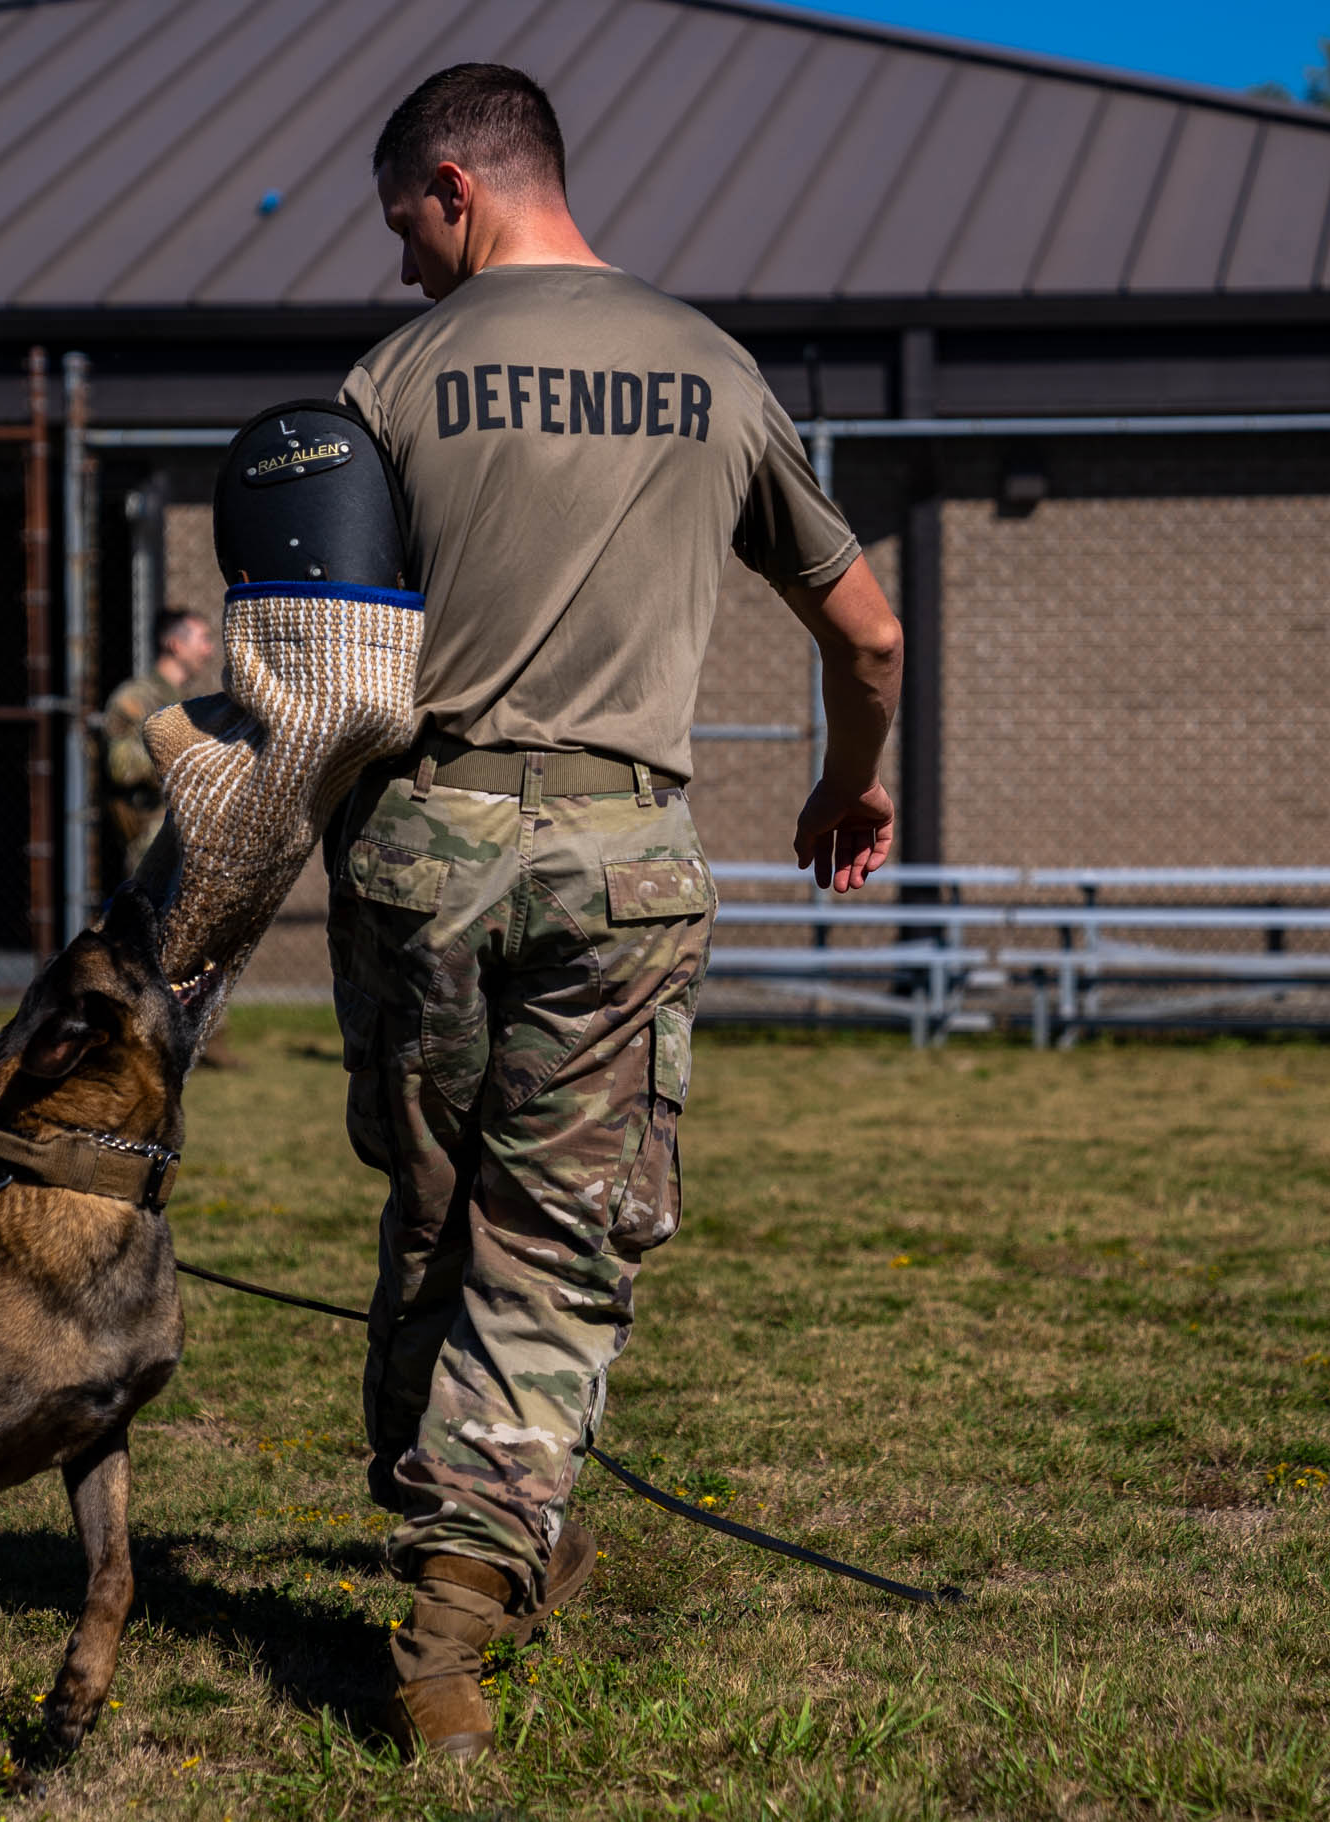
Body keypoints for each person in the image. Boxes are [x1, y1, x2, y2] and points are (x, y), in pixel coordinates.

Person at [326, 64, 904, 1760]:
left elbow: (324, 652)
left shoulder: (385, 380)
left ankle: (476, 1523)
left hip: (418, 843)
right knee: (557, 1238)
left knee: (434, 1208)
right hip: (616, 855)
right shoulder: (712, 370)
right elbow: (866, 637)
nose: (404, 269)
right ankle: (456, 1605)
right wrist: (850, 778)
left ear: (453, 187)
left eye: (404, 233)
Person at [101, 610, 218, 879]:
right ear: (175, 645)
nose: (209, 650)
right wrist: (183, 751)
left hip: (187, 837)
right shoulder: (135, 699)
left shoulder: (186, 703)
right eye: (203, 639)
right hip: (152, 845)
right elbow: (120, 767)